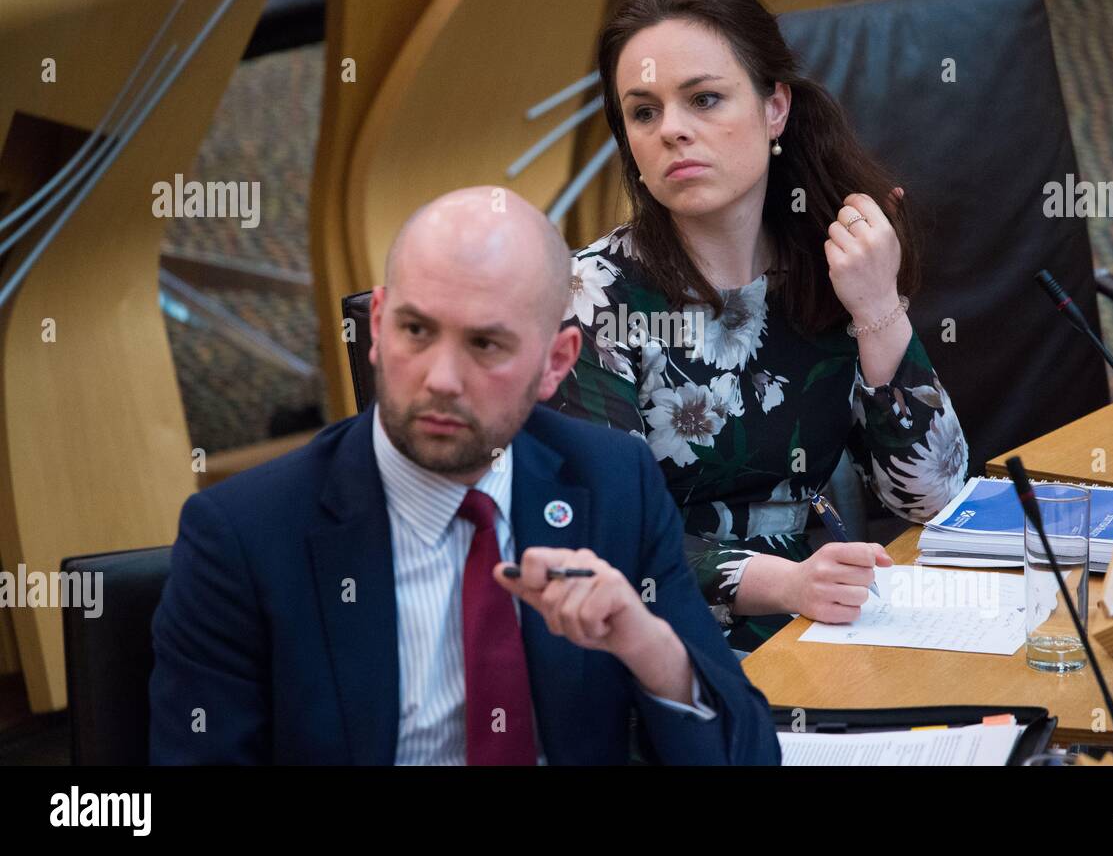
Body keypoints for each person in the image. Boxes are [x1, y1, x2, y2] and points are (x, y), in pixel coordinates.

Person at [149, 187, 780, 765]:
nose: (441, 378)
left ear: (555, 363)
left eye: (485, 345)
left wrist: (649, 648)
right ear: (376, 328)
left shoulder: (613, 484)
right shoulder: (243, 536)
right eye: (417, 331)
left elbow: (747, 754)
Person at [546, 0, 970, 652]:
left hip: (825, 621)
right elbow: (608, 530)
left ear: (775, 108)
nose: (673, 131)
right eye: (644, 112)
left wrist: (878, 308)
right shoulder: (593, 295)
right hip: (658, 642)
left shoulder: (827, 260)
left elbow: (934, 496)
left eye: (704, 99)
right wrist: (784, 584)